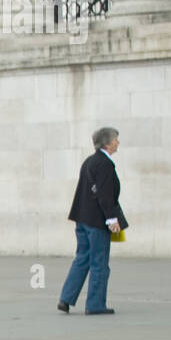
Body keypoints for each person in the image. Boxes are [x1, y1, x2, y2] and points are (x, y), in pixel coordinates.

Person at [58, 127, 128, 316]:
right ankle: (95, 304)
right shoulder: (105, 164)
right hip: (97, 221)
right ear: (107, 143)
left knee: (82, 258)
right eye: (116, 139)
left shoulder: (89, 161)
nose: (118, 142)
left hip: (82, 218)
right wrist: (112, 219)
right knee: (99, 262)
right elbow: (105, 195)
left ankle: (66, 298)